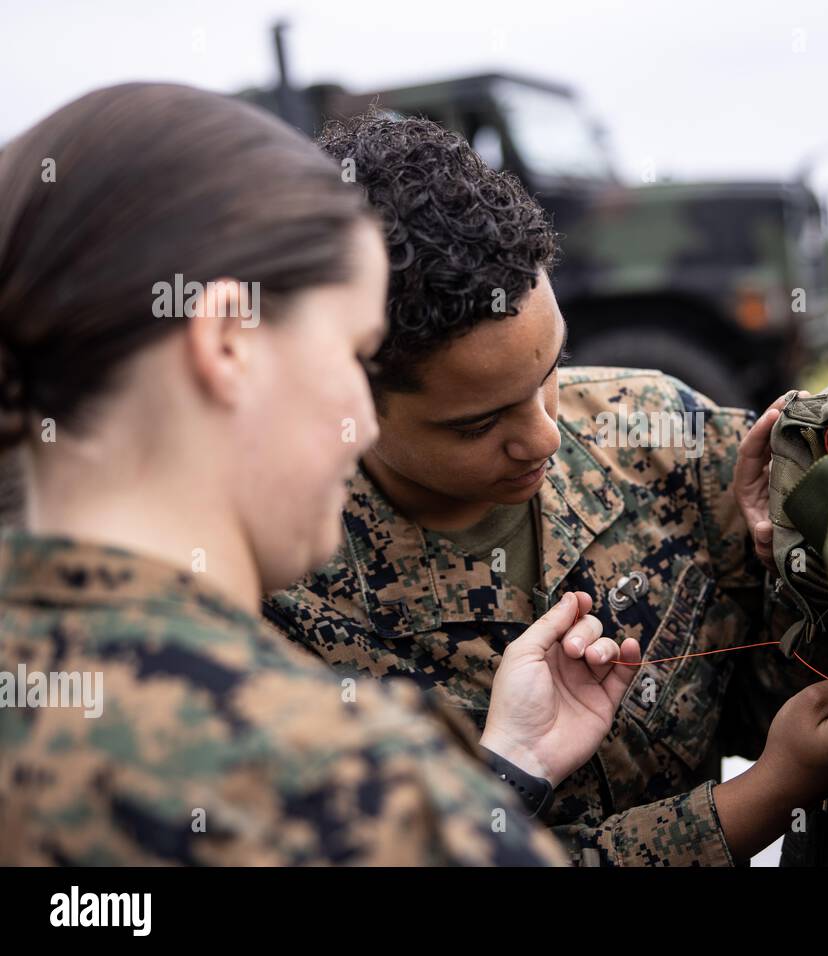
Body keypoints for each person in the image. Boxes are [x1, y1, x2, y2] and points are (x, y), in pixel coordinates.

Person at [262, 109, 828, 866]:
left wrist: (802, 547)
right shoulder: (280, 590)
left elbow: (811, 662)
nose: (545, 436)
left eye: (550, 372)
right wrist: (775, 788)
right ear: (342, 397)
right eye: (476, 424)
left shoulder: (654, 432)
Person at [0, 82, 641, 865]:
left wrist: (511, 767)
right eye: (350, 351)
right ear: (228, 345)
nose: (363, 423)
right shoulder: (356, 795)